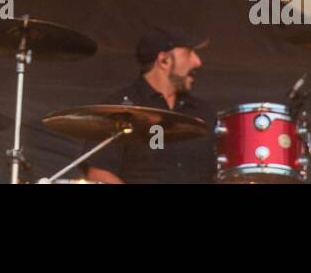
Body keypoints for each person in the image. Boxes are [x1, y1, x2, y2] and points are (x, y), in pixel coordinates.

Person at [83, 26, 216, 184]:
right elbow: (99, 173)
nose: (197, 61)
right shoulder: (121, 108)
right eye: (189, 53)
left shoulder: (204, 112)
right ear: (164, 60)